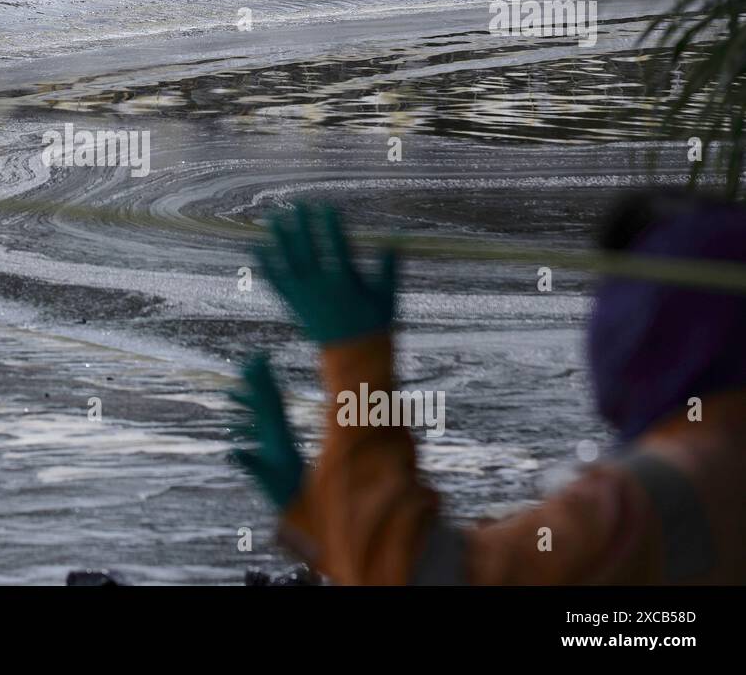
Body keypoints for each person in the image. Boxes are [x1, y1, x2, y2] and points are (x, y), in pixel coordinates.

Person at [233, 195, 746, 584]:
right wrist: (328, 519)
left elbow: (426, 575)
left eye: (610, 296)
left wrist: (357, 365)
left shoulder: (658, 490)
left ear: (651, 323)